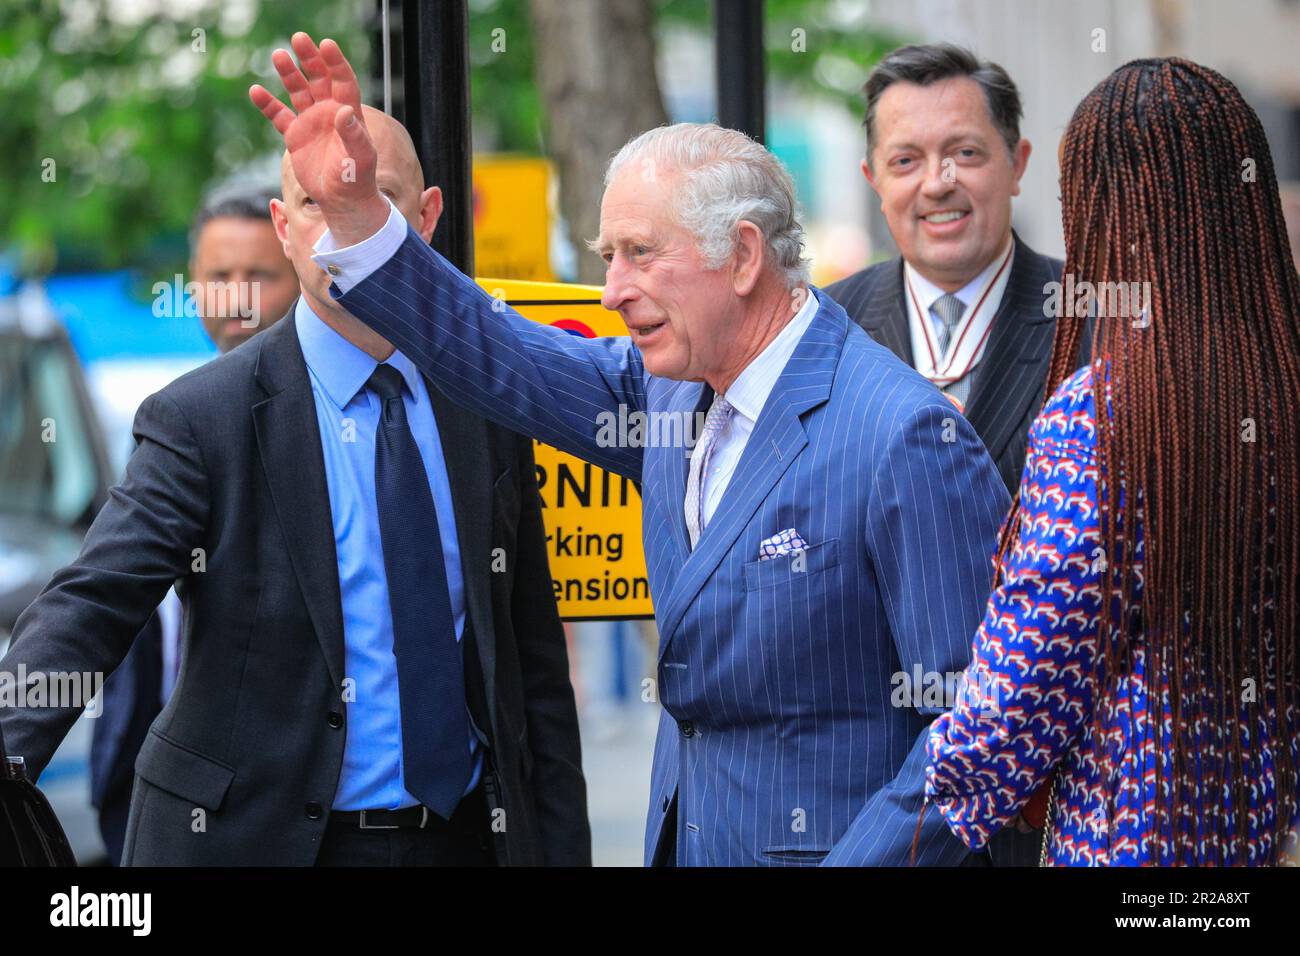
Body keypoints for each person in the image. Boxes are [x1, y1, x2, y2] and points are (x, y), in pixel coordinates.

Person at [251, 33, 1009, 866]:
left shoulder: (903, 435)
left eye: (640, 255)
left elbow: (976, 730)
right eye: (610, 257)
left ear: (744, 255)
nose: (612, 291)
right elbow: (490, 347)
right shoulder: (667, 391)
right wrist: (360, 222)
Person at [0, 105, 589, 866]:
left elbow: (529, 657)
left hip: (466, 840)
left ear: (428, 215)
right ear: (284, 226)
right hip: (263, 843)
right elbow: (94, 603)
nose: (344, 226)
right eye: (318, 202)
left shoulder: (487, 399)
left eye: (371, 195)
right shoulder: (202, 418)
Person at [925, 58, 1300, 865]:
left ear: (1109, 215)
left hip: (1144, 837)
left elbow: (1028, 670)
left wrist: (928, 808)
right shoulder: (1284, 389)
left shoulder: (1102, 421)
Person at [89, 184, 301, 865]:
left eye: (260, 275)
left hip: (277, 802)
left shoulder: (329, 431)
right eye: (218, 277)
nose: (237, 296)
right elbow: (105, 594)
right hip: (152, 785)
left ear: (302, 273)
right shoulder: (174, 422)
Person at [828, 44, 1082, 497]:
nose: (937, 183)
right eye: (905, 161)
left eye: (964, 153)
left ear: (1017, 163)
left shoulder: (1093, 319)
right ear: (875, 182)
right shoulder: (828, 327)